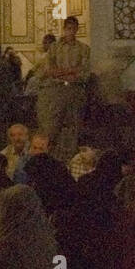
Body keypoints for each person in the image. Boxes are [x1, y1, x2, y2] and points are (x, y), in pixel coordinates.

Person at [35, 17, 91, 163]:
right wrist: (70, 71)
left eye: (73, 28)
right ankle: (48, 159)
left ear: (77, 29)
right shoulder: (55, 48)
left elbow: (83, 73)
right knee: (52, 126)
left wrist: (62, 72)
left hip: (75, 90)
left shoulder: (83, 49)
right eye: (68, 28)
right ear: (64, 29)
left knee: (74, 126)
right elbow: (48, 71)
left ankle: (73, 159)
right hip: (57, 90)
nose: (70, 32)